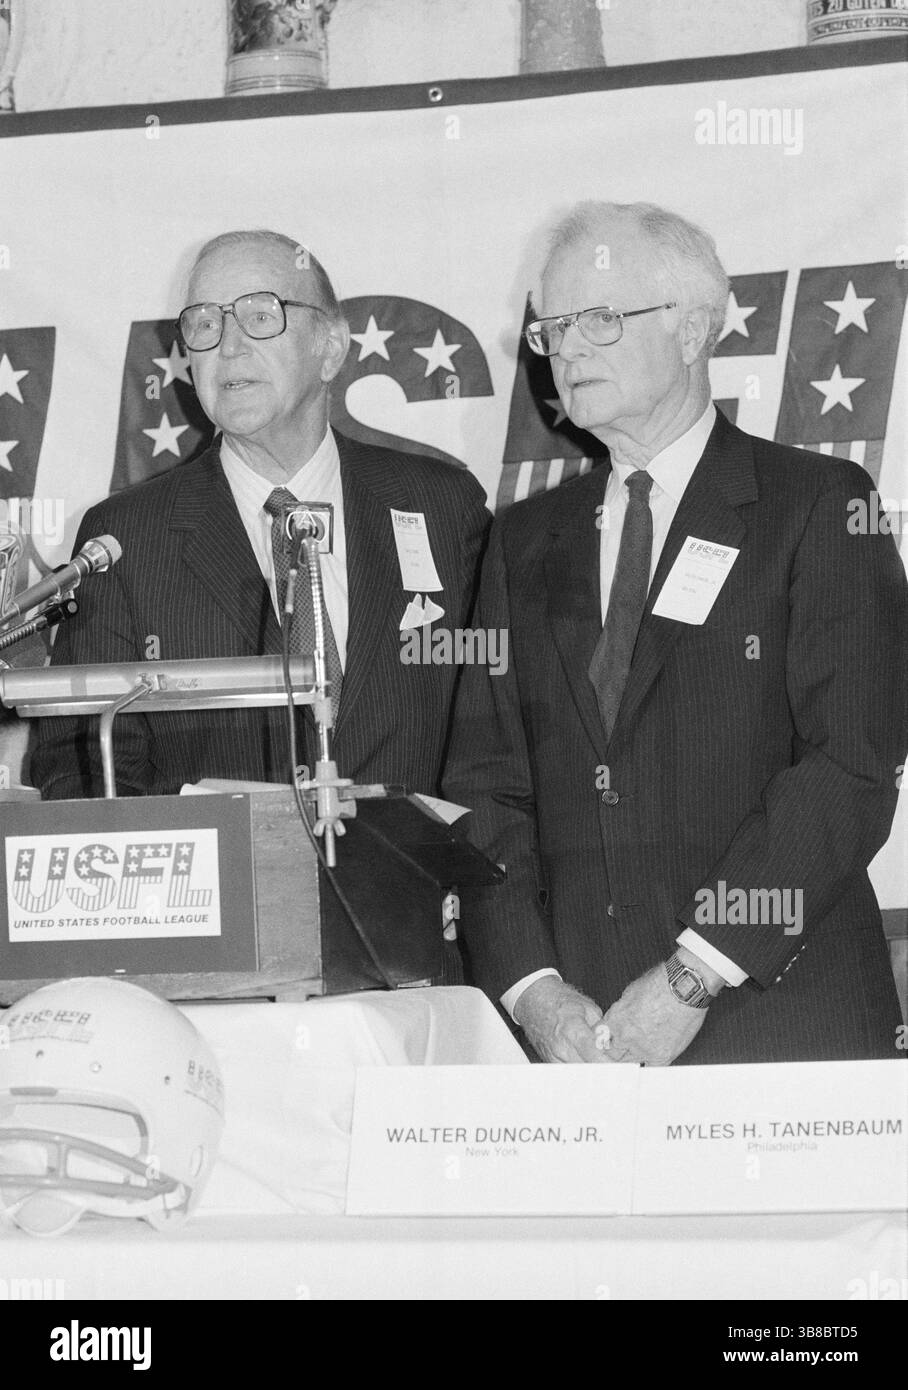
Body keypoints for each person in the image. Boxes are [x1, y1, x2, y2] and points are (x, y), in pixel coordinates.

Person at [444, 201, 908, 1065]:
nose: (568, 348)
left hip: (781, 1021)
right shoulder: (520, 540)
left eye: (600, 319)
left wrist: (695, 974)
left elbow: (851, 766)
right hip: (581, 1043)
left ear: (695, 328)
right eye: (553, 328)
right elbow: (484, 788)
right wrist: (533, 990)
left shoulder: (815, 506)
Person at [29, 230, 490, 800]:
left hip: (414, 884)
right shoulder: (123, 539)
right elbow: (85, 770)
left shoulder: (444, 508)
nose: (228, 346)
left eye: (260, 315)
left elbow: (495, 743)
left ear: (331, 347)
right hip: (217, 883)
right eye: (205, 323)